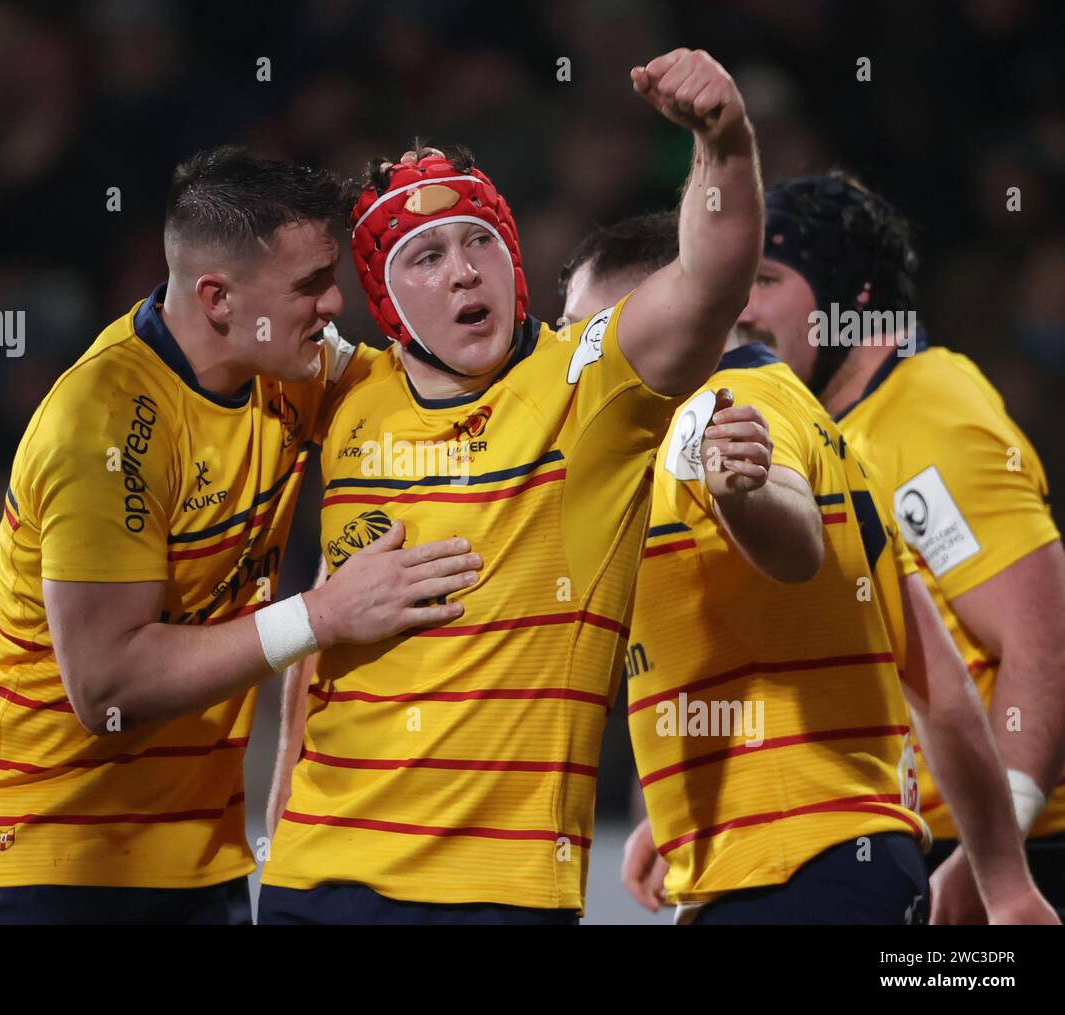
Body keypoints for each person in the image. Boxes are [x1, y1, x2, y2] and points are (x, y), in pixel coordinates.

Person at [259, 47, 763, 924]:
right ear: (385, 302)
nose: (461, 271)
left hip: (498, 895)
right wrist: (276, 841)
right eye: (424, 257)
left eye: (478, 242)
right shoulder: (339, 393)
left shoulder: (590, 384)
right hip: (316, 881)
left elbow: (710, 280)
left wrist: (724, 143)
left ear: (513, 260)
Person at [0, 148, 478, 925]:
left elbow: (431, 394)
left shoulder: (293, 368)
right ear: (218, 297)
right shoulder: (102, 426)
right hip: (45, 860)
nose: (334, 305)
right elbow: (107, 685)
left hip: (197, 861)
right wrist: (321, 615)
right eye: (309, 286)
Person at [562, 216, 1056, 923]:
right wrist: (1005, 883)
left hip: (790, 874)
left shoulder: (719, 412)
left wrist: (749, 494)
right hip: (845, 862)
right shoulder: (826, 433)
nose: (573, 362)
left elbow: (787, 533)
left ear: (672, 314)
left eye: (587, 332)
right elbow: (940, 688)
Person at [731, 173, 1065, 921]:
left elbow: (1046, 644)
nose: (741, 306)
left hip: (1004, 857)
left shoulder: (927, 410)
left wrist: (995, 862)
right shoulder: (825, 435)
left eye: (768, 278)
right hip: (905, 849)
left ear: (852, 298)